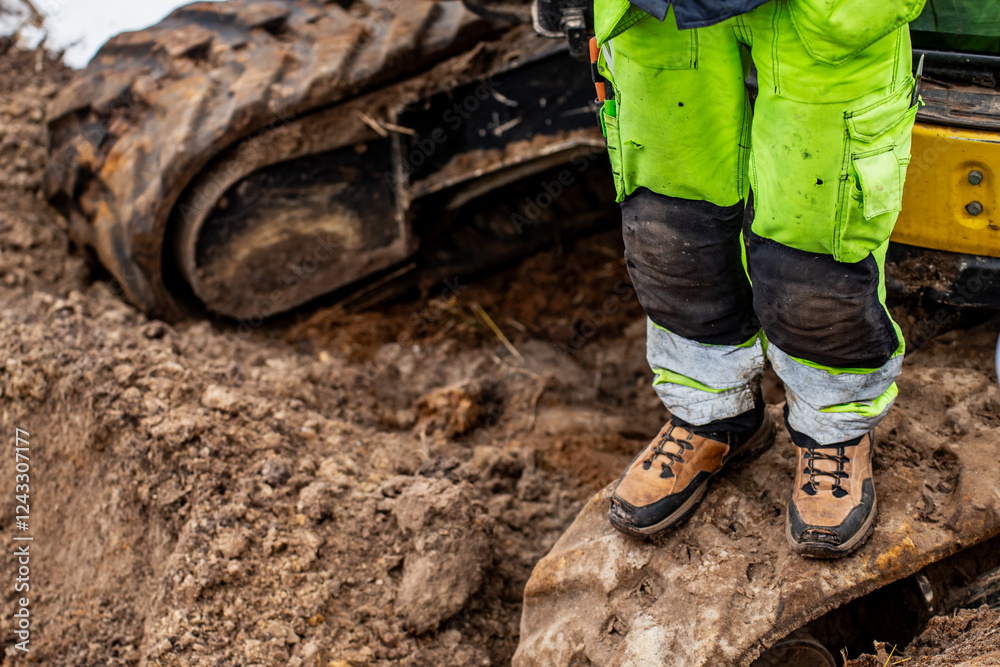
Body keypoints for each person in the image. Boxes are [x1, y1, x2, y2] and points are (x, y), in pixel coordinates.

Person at [595, 0, 926, 557]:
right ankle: (712, 413)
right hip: (661, 12)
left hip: (827, 15)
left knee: (815, 247)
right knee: (670, 226)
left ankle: (834, 431)